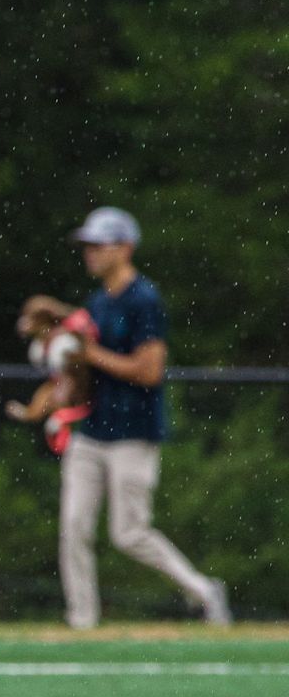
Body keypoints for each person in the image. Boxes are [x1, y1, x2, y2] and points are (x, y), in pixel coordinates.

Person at [59, 207, 230, 629]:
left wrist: (91, 355)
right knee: (73, 527)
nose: (91, 254)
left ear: (126, 247)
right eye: (88, 246)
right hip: (93, 429)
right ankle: (82, 619)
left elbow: (150, 371)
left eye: (99, 245)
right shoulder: (97, 301)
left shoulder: (143, 299)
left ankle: (204, 591)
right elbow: (87, 368)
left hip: (134, 432)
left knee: (129, 533)